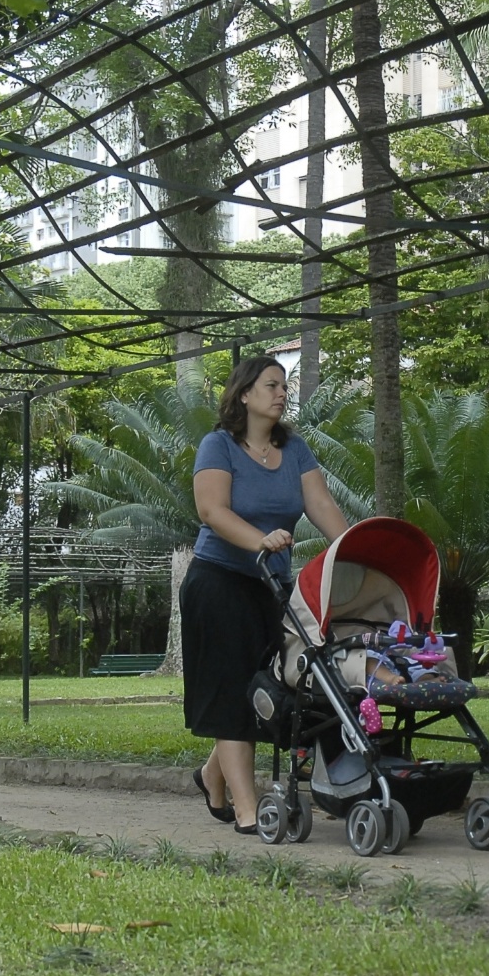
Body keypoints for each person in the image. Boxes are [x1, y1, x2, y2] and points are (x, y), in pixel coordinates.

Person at [184, 356, 349, 833]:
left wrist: (357, 553)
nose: (281, 393)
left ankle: (212, 775)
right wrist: (260, 539)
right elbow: (212, 510)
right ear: (244, 394)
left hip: (271, 587)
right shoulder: (218, 445)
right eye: (272, 385)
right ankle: (246, 808)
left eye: (284, 386)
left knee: (271, 690)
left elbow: (321, 505)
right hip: (218, 581)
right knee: (233, 695)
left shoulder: (293, 449)